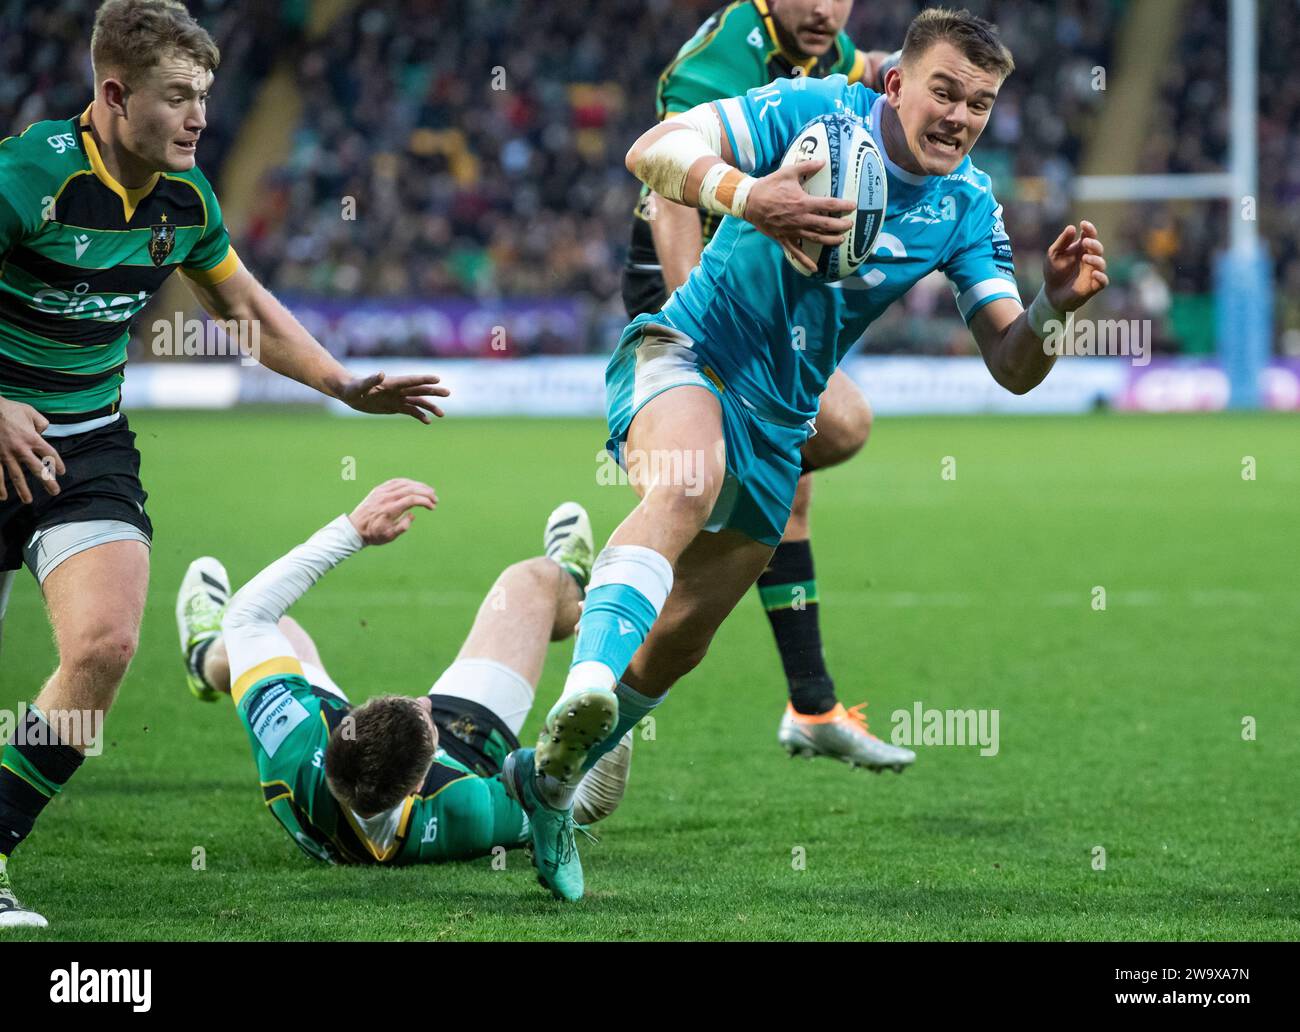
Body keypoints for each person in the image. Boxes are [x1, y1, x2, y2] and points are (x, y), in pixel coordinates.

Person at [523, 6, 1110, 900]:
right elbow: (651, 150)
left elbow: (1013, 366)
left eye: (979, 104)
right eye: (944, 90)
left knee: (684, 641)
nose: (957, 115)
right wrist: (750, 195)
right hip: (688, 351)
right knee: (686, 484)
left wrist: (1054, 308)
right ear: (897, 79)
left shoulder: (967, 208)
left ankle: (552, 782)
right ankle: (587, 682)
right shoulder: (809, 111)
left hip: (782, 418)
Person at [0, 0, 447, 928]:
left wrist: (341, 385)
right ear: (115, 95)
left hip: (82, 447)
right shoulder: (26, 178)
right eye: (177, 96)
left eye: (204, 93)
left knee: (106, 646)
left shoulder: (184, 200)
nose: (201, 115)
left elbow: (244, 307)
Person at [623, 0, 914, 771]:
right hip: (686, 291)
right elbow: (667, 186)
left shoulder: (828, 45)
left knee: (789, 477)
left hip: (762, 291)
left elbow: (870, 70)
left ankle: (812, 704)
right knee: (831, 429)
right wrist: (695, 328)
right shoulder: (722, 58)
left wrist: (925, 79)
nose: (825, 8)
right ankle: (618, 591)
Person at [174, 478, 631, 876]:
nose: (426, 699)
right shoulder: (463, 808)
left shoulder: (293, 737)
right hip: (469, 754)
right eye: (426, 717)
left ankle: (201, 657)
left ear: (341, 729)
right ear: (420, 782)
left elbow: (247, 618)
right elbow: (579, 801)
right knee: (537, 580)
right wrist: (608, 665)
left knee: (262, 638)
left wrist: (352, 531)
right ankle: (570, 581)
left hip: (352, 768)